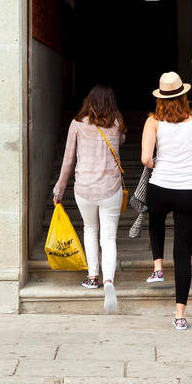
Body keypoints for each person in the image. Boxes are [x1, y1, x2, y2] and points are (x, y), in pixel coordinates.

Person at [141, 71, 192, 331]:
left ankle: (157, 266)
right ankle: (180, 314)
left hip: (161, 185)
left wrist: (159, 163)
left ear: (161, 98)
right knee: (182, 253)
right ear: (184, 96)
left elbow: (146, 159)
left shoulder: (153, 121)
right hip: (190, 190)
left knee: (156, 220)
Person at [53, 84, 126, 313]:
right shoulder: (117, 125)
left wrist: (59, 189)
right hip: (110, 189)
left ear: (89, 101)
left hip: (84, 188)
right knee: (109, 237)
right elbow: (122, 141)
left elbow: (68, 160)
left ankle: (93, 276)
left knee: (90, 229)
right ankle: (108, 282)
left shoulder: (77, 125)